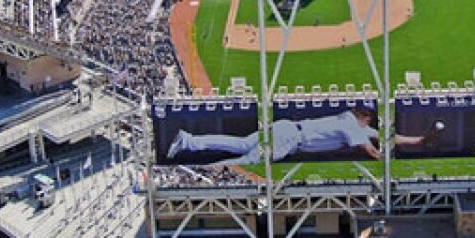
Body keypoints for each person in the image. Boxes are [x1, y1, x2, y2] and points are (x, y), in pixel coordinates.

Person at [166, 106, 428, 164]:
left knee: (241, 144)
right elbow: (372, 150)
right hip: (290, 139)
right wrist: (386, 163)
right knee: (248, 161)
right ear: (365, 117)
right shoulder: (351, 127)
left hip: (285, 127)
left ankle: (189, 139)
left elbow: (381, 137)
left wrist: (418, 141)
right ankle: (211, 172)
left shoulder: (350, 122)